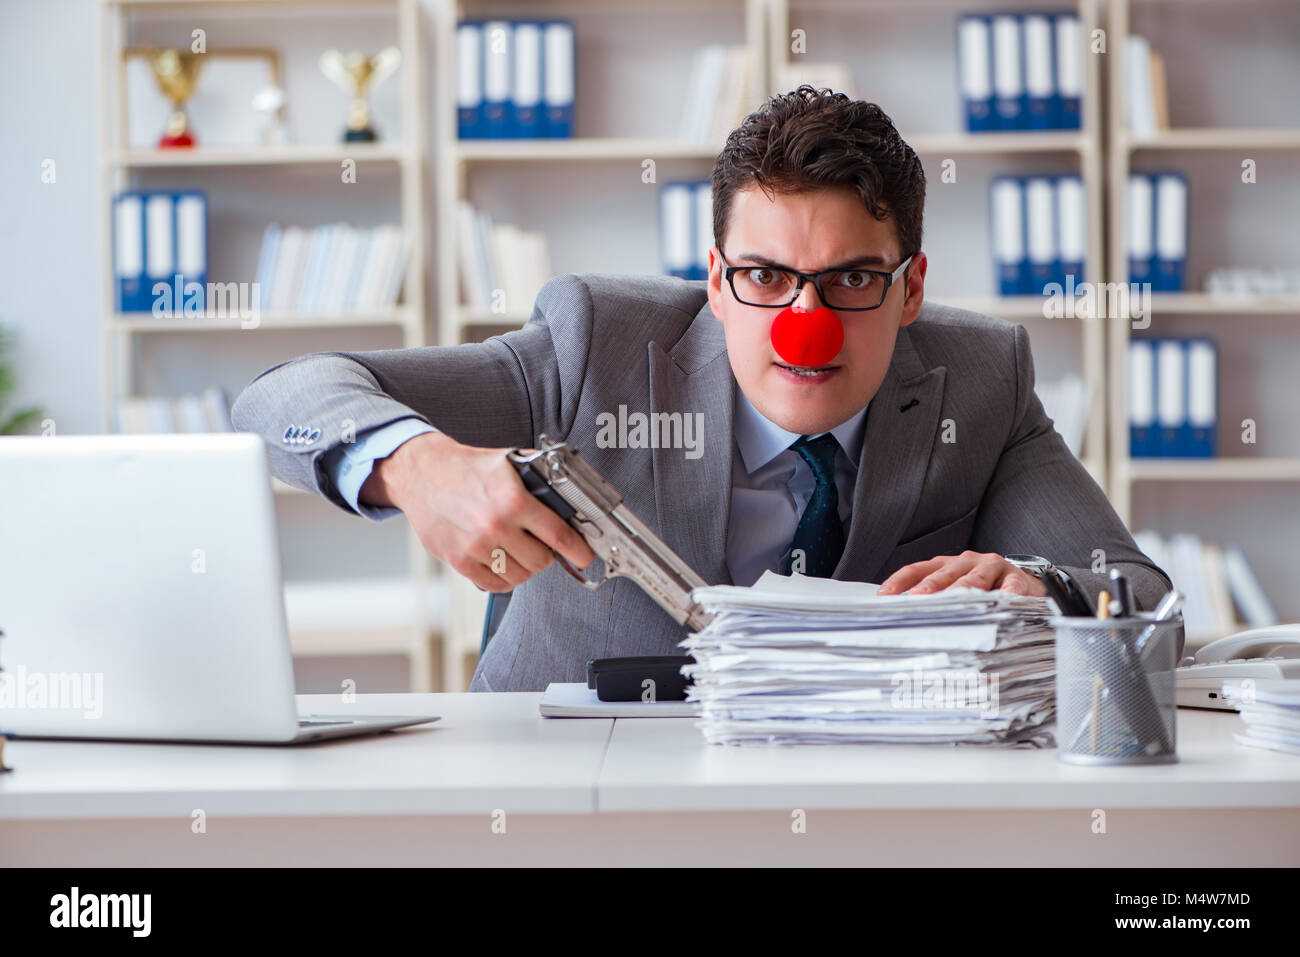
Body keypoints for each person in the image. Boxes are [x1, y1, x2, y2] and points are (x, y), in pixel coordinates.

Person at [231, 86, 1173, 692]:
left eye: (852, 279)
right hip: (564, 802)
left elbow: (1140, 599)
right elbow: (284, 392)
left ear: (912, 288)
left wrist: (1040, 587)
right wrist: (416, 464)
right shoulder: (599, 346)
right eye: (765, 276)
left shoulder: (981, 380)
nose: (806, 324)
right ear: (717, 280)